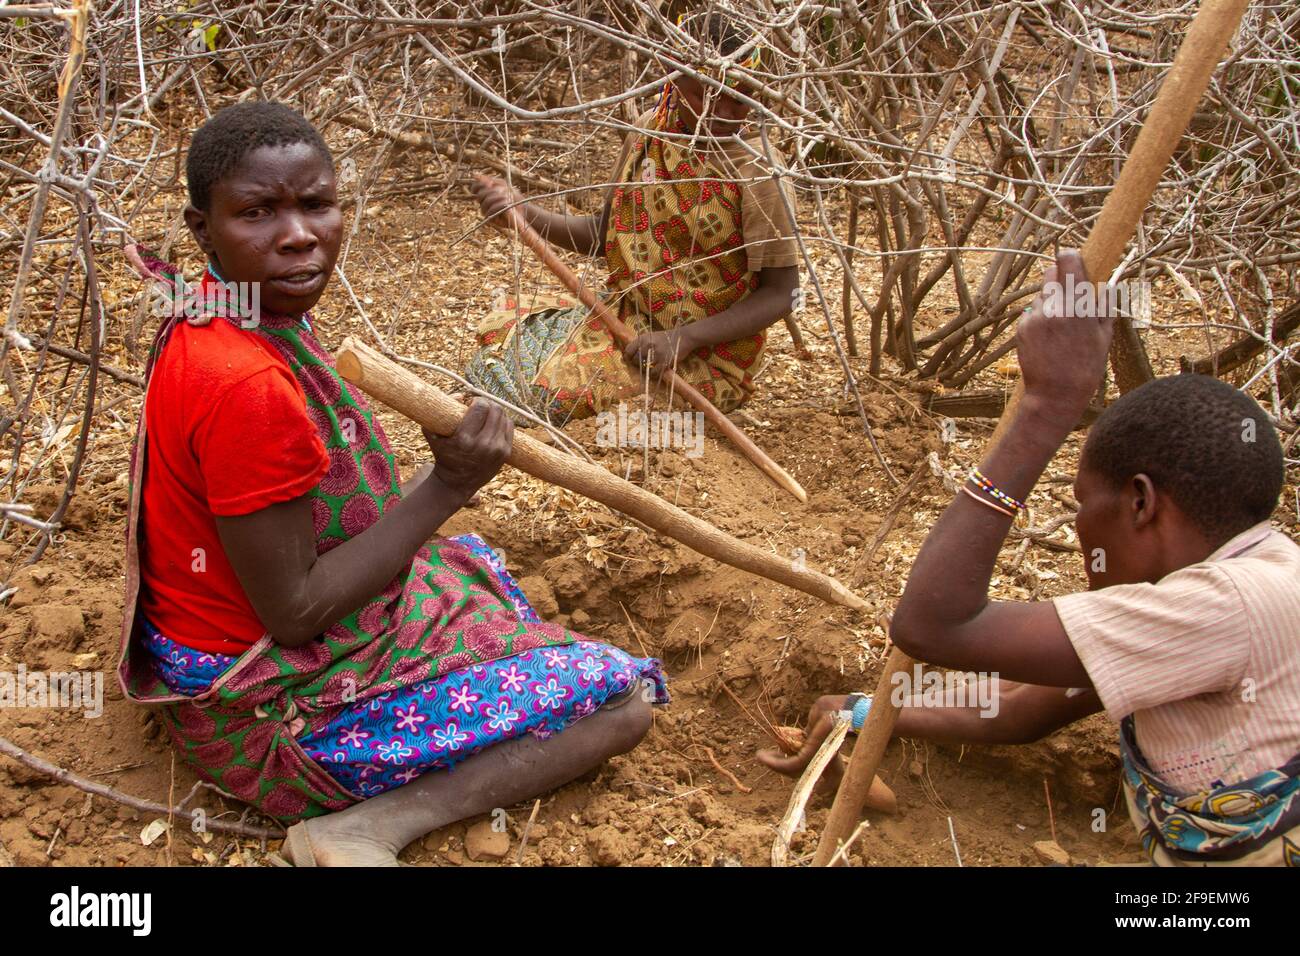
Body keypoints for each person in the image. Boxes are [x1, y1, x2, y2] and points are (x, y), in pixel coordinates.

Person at [116, 101, 667, 866]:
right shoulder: (244, 382)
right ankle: (372, 825)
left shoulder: (223, 309)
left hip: (208, 642)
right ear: (202, 228)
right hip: (261, 701)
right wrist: (448, 485)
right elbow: (298, 611)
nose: (299, 233)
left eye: (316, 204)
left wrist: (443, 484)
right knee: (620, 704)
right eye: (258, 212)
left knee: (473, 569)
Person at [761, 249, 1300, 866]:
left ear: (1140, 503)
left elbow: (935, 625)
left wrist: (1046, 408)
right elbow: (1017, 711)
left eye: (1081, 505)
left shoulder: (1228, 607)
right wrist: (858, 712)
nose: (1077, 529)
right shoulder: (1234, 589)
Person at [464, 10, 800, 424]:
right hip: (626, 320)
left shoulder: (760, 170)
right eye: (710, 95)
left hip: (706, 358)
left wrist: (684, 338)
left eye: (744, 94)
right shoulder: (648, 134)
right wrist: (524, 212)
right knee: (494, 364)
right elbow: (603, 235)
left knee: (528, 395)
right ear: (675, 80)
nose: (731, 110)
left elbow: (782, 292)